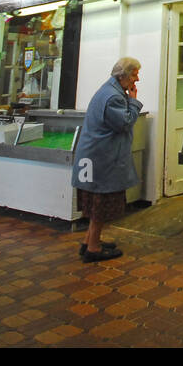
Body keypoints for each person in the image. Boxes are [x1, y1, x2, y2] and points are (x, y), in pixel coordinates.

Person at [72, 57, 143, 263]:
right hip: (102, 159)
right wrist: (134, 101)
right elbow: (124, 123)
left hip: (95, 157)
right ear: (123, 76)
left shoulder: (108, 90)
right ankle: (93, 248)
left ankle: (88, 241)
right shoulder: (114, 97)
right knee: (100, 203)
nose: (137, 79)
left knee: (95, 200)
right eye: (134, 74)